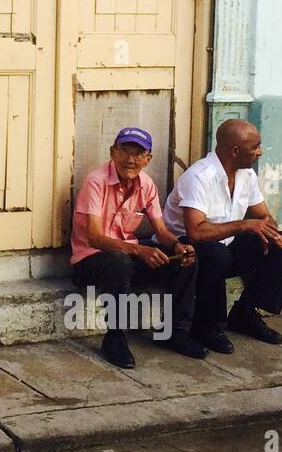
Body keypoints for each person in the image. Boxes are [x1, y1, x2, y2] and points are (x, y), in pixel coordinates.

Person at [163, 119, 282, 350]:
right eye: (255, 146)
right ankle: (205, 325)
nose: (260, 151)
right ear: (235, 151)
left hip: (226, 245)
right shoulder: (199, 176)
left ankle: (245, 312)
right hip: (185, 249)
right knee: (216, 253)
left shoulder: (246, 175)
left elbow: (264, 217)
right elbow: (195, 232)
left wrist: (268, 231)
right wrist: (246, 225)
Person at [70, 127, 201, 368]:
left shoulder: (147, 185)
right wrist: (140, 251)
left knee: (186, 258)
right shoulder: (96, 181)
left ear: (148, 159)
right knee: (118, 261)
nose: (130, 159)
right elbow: (96, 238)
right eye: (125, 151)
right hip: (90, 261)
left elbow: (160, 231)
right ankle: (115, 339)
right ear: (113, 152)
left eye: (138, 154)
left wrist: (177, 245)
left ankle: (176, 332)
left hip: (126, 257)